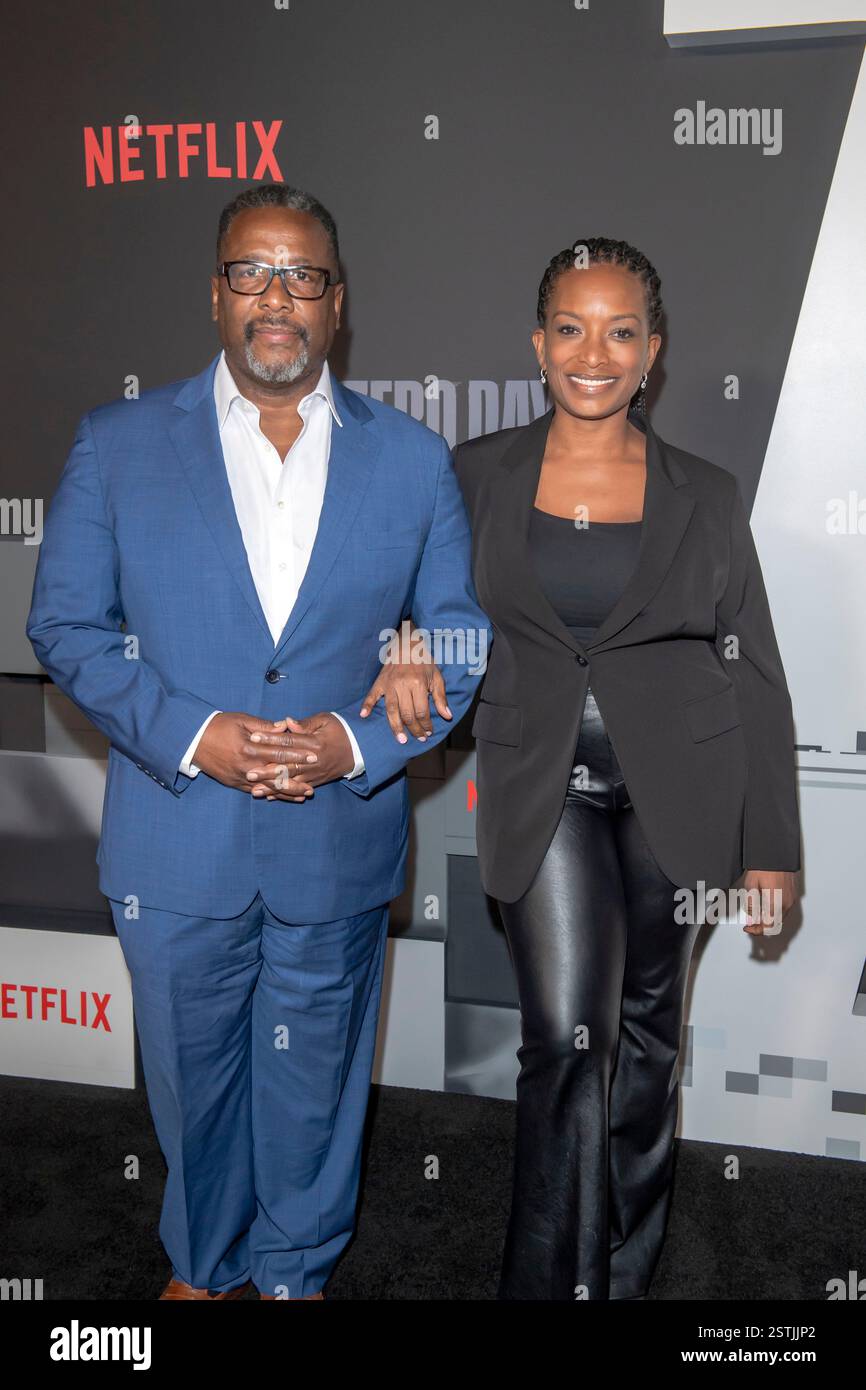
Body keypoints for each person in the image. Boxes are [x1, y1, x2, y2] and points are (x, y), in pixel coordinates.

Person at [27, 182, 490, 1301]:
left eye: (303, 276)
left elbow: (461, 633)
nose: (276, 298)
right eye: (252, 272)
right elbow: (66, 626)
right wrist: (192, 734)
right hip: (176, 841)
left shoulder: (414, 461)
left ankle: (291, 1275)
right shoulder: (117, 442)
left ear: (337, 303)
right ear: (216, 292)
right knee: (194, 1085)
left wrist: (353, 736)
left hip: (336, 834)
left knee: (316, 1087)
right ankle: (204, 1259)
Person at [363, 238, 801, 1301]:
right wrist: (405, 638)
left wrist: (770, 851)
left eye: (618, 331)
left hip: (683, 795)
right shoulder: (475, 474)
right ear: (537, 342)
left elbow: (753, 672)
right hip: (541, 780)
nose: (591, 352)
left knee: (648, 1044)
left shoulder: (704, 489)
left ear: (651, 353)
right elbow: (402, 592)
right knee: (568, 1037)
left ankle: (618, 1274)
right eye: (569, 327)